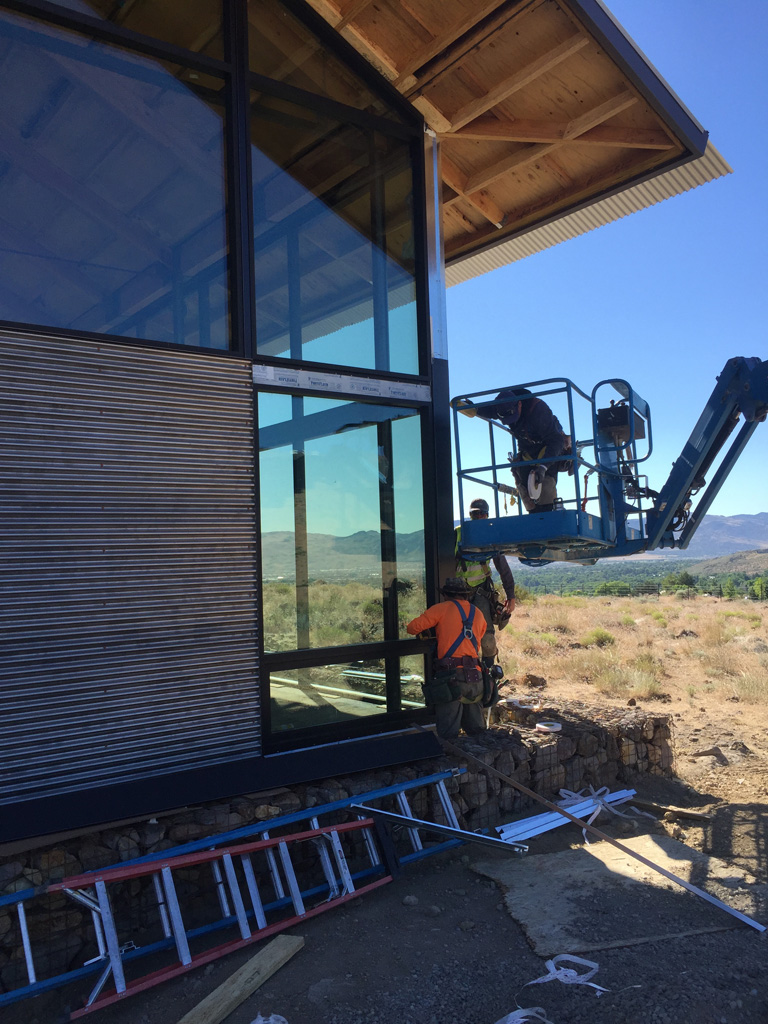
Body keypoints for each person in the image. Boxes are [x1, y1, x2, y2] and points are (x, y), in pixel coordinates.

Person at [406, 577, 488, 739]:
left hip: (451, 678)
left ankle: (451, 761)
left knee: (448, 733)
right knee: (478, 732)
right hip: (475, 677)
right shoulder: (478, 613)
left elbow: (412, 628)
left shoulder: (441, 609)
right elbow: (480, 636)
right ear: (466, 595)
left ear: (446, 595)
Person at [454, 498, 515, 673]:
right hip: (459, 593)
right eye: (475, 514)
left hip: (480, 592)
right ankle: (464, 674)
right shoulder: (458, 533)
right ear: (470, 515)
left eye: (482, 514)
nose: (479, 517)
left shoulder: (490, 536)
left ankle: (488, 675)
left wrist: (511, 596)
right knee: (458, 635)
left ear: (487, 515)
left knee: (487, 636)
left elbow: (503, 568)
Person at [486, 388, 571, 512]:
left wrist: (543, 467)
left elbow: (556, 441)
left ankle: (549, 514)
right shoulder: (501, 408)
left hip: (548, 449)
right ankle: (534, 516)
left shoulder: (538, 410)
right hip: (527, 451)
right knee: (525, 488)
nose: (512, 421)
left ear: (519, 404)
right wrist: (473, 409)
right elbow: (485, 410)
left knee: (546, 486)